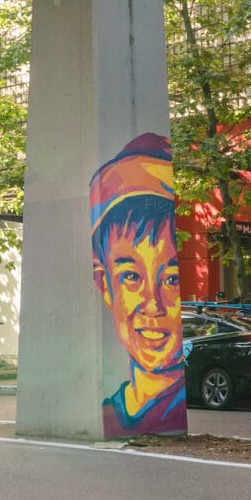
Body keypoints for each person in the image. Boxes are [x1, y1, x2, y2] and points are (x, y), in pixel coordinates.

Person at [90, 133, 185, 438]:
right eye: (131, 277)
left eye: (171, 280)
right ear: (104, 284)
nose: (153, 305)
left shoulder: (174, 406)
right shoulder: (110, 413)